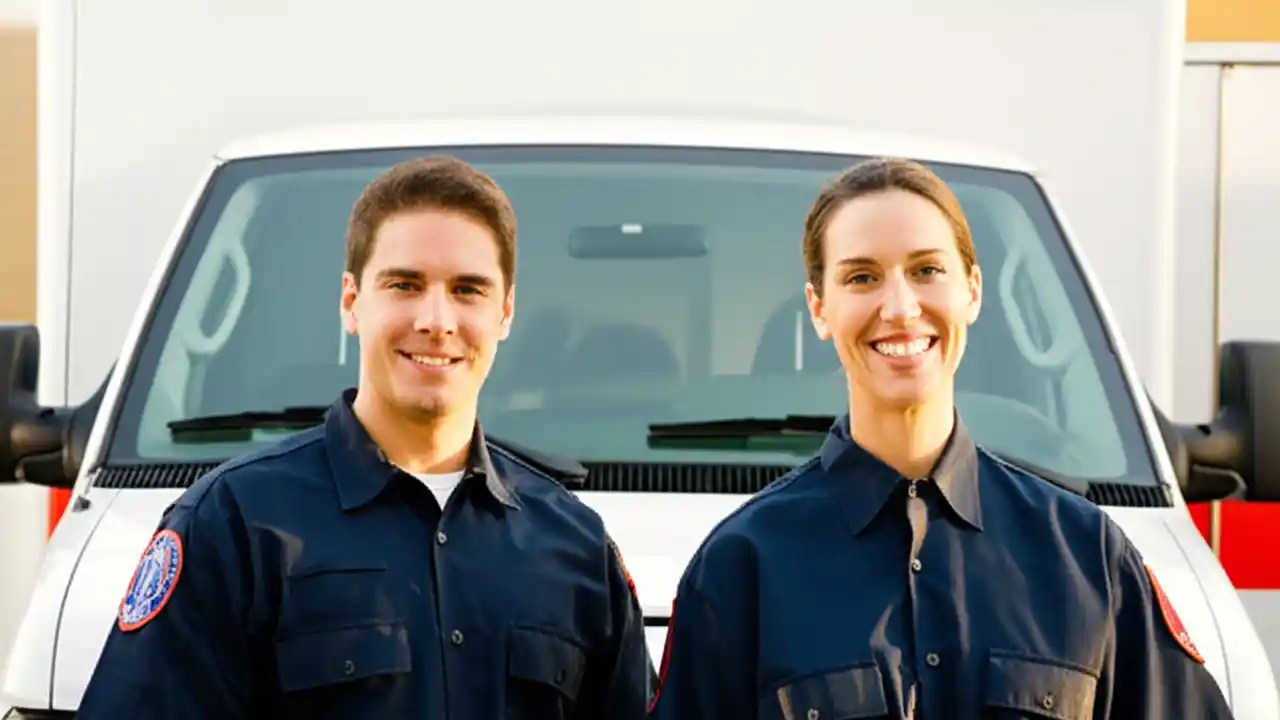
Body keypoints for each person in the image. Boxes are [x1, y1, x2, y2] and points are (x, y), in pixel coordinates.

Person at [646, 157, 1235, 719]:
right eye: (862, 276)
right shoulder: (742, 568)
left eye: (927, 270)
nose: (900, 307)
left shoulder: (1087, 559)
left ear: (972, 291)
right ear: (819, 309)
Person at [78, 156, 654, 719]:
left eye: (467, 290)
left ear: (505, 312)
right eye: (405, 285)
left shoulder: (576, 546)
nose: (436, 319)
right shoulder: (233, 525)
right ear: (352, 303)